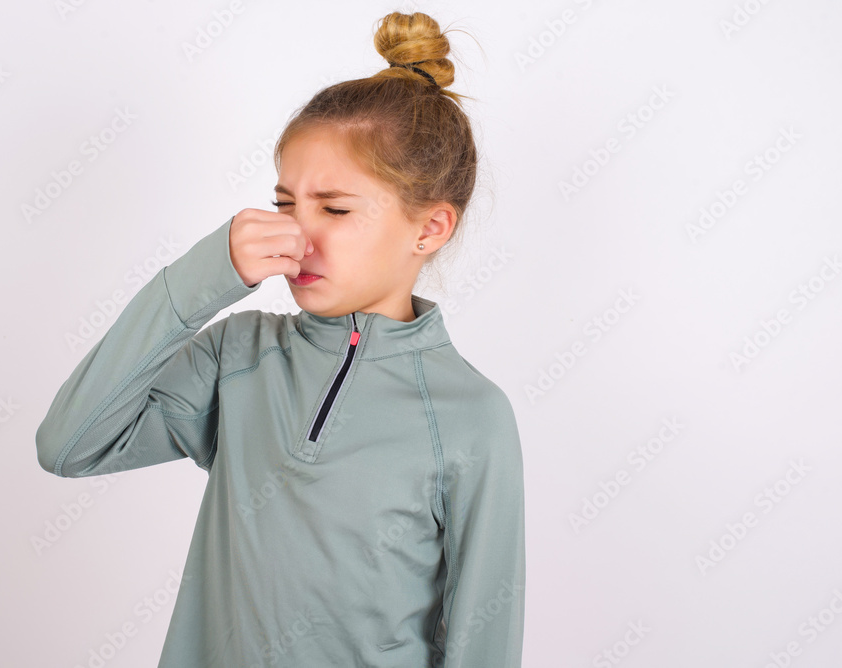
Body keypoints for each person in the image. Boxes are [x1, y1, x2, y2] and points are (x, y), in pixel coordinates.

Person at [35, 10, 524, 667]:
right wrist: (203, 279)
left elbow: (481, 641)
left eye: (336, 208)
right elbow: (69, 445)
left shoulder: (473, 417)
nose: (300, 233)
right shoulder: (237, 357)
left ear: (429, 228)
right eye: (286, 203)